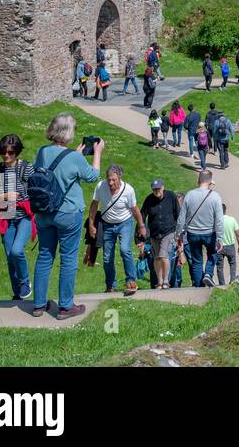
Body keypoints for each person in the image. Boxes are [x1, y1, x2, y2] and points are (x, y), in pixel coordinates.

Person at [31, 113, 101, 319]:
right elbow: (92, 175)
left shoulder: (42, 151)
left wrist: (75, 154)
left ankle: (38, 304)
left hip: (44, 211)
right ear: (70, 132)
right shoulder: (74, 158)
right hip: (68, 212)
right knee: (68, 258)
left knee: (45, 255)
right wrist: (97, 153)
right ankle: (65, 306)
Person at [0, 134, 35, 301]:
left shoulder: (27, 168)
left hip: (24, 216)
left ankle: (25, 282)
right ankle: (17, 293)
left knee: (17, 250)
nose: (6, 156)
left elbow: (37, 190)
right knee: (10, 256)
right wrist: (6, 195)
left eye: (10, 152)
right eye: (3, 152)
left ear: (17, 152)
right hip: (6, 215)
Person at [88, 163, 146, 295]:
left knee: (125, 250)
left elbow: (135, 210)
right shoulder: (100, 186)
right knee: (107, 257)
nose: (110, 182)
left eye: (113, 179)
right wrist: (91, 225)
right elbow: (94, 205)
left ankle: (131, 280)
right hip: (107, 224)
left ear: (120, 178)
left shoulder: (128, 190)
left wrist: (141, 225)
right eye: (108, 179)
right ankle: (110, 285)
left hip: (124, 223)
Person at [182, 170, 225, 287]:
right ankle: (208, 274)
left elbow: (182, 217)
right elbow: (219, 220)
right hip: (209, 233)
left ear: (198, 180)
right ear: (210, 182)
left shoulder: (189, 195)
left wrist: (178, 235)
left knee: (196, 261)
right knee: (212, 254)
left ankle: (198, 286)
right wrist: (220, 238)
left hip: (192, 233)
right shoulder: (215, 197)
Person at [141, 179, 180, 290]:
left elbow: (178, 213)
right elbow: (142, 215)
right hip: (154, 233)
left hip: (169, 231)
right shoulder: (149, 199)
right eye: (154, 189)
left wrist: (180, 232)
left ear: (163, 187)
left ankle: (166, 281)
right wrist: (140, 235)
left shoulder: (171, 196)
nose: (156, 191)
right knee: (157, 258)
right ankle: (159, 281)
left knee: (164, 255)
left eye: (158, 188)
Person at [216, 204, 239, 285]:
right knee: (232, 263)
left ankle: (222, 284)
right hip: (230, 246)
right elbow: (238, 234)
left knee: (219, 266)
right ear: (225, 210)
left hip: (219, 247)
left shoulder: (216, 220)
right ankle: (232, 281)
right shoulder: (232, 220)